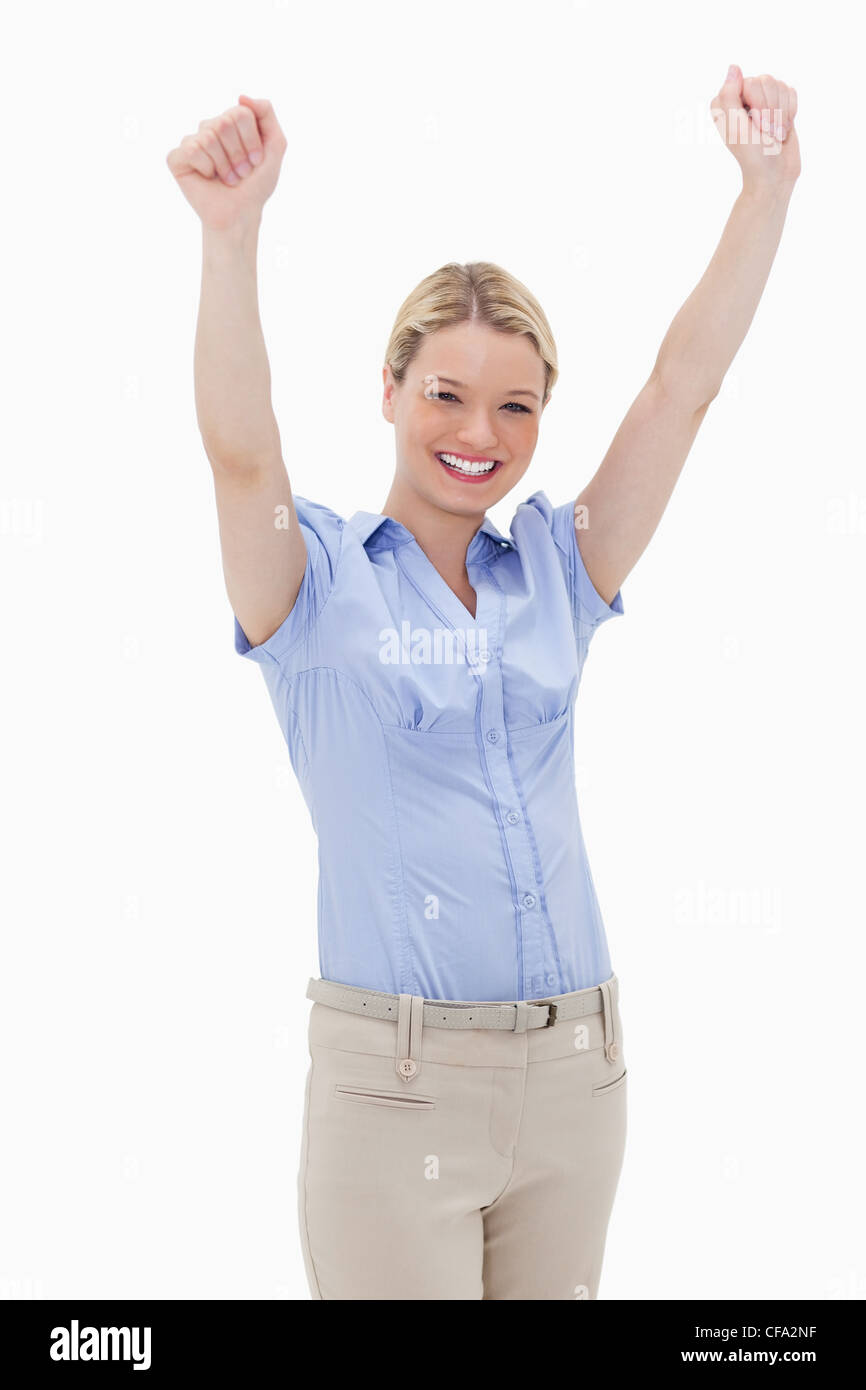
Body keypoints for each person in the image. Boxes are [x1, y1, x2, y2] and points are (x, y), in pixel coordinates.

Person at [166, 68, 800, 1300]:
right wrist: (229, 237)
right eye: (445, 394)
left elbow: (681, 388)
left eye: (515, 404)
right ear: (390, 391)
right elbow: (241, 457)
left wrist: (764, 188)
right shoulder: (317, 591)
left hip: (578, 1078)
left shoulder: (558, 572)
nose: (479, 430)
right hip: (392, 1093)